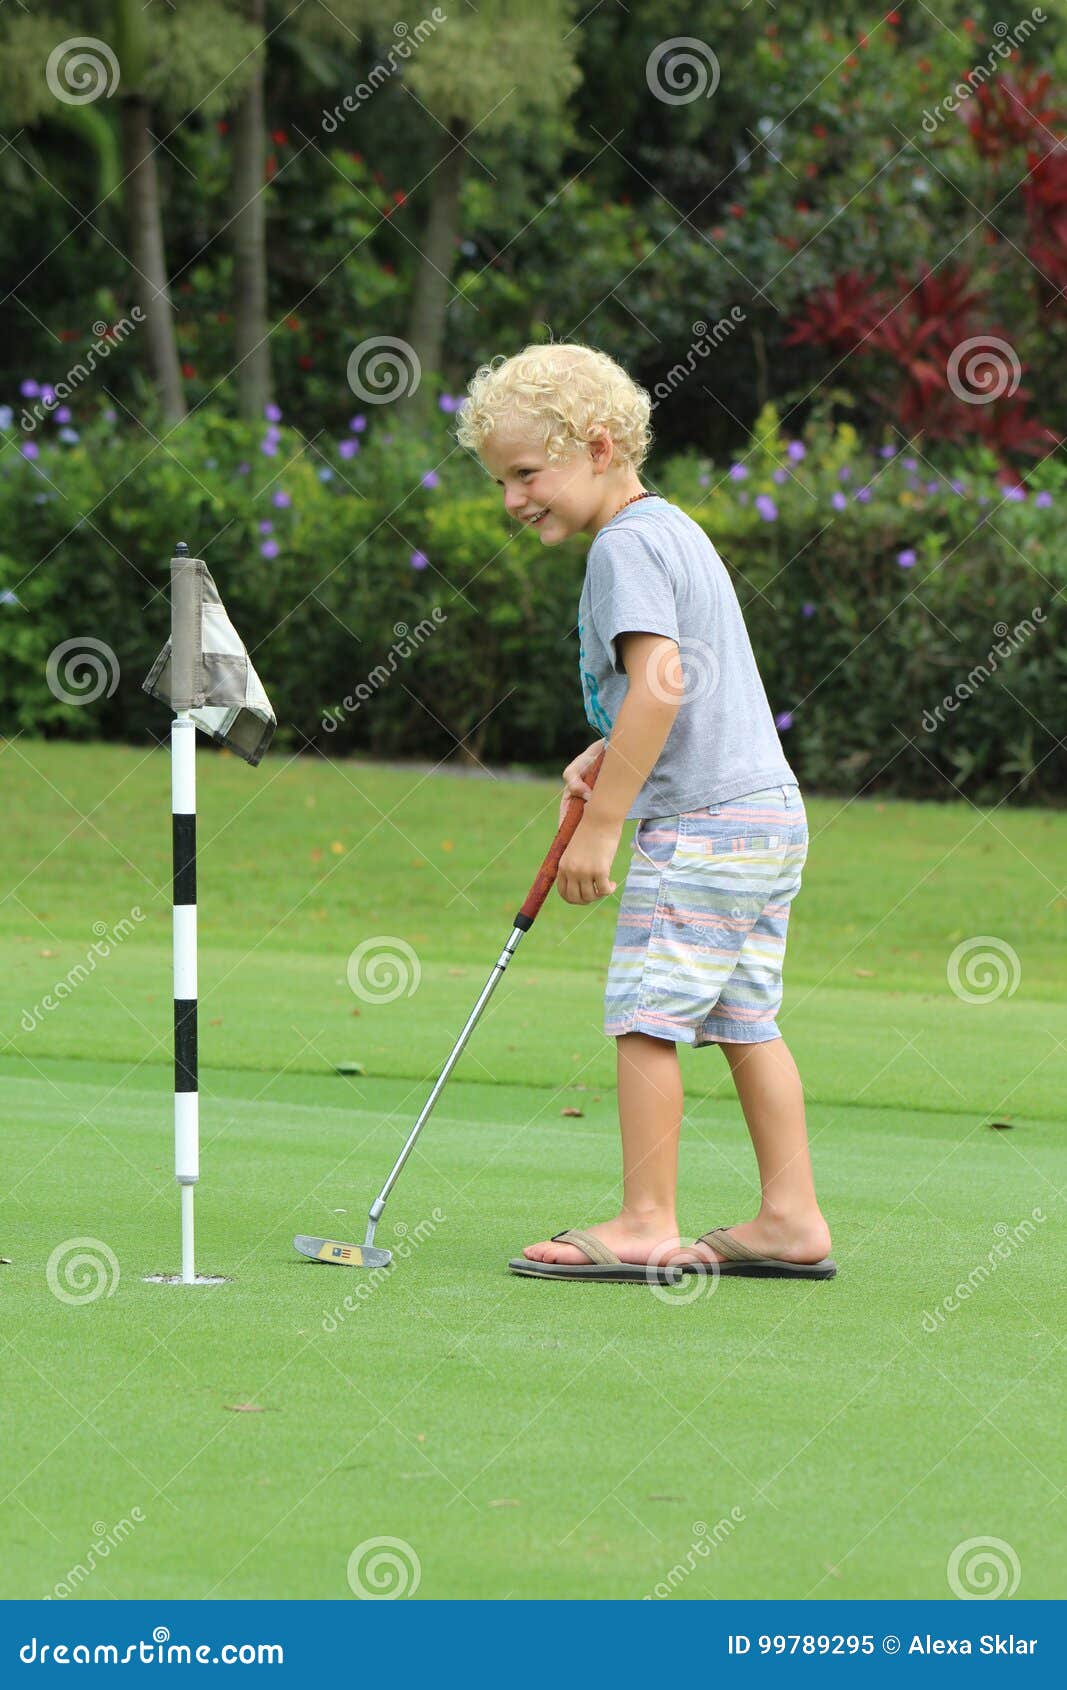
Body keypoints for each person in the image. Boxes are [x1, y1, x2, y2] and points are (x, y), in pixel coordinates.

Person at [454, 342, 835, 1283]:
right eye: (502, 479)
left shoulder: (622, 546)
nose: (512, 498)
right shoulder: (671, 528)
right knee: (745, 1020)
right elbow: (672, 688)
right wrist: (607, 749)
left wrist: (600, 822)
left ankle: (642, 1221)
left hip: (702, 822)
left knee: (644, 1016)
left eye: (526, 474)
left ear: (593, 446)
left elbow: (659, 683)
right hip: (764, 816)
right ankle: (790, 1218)